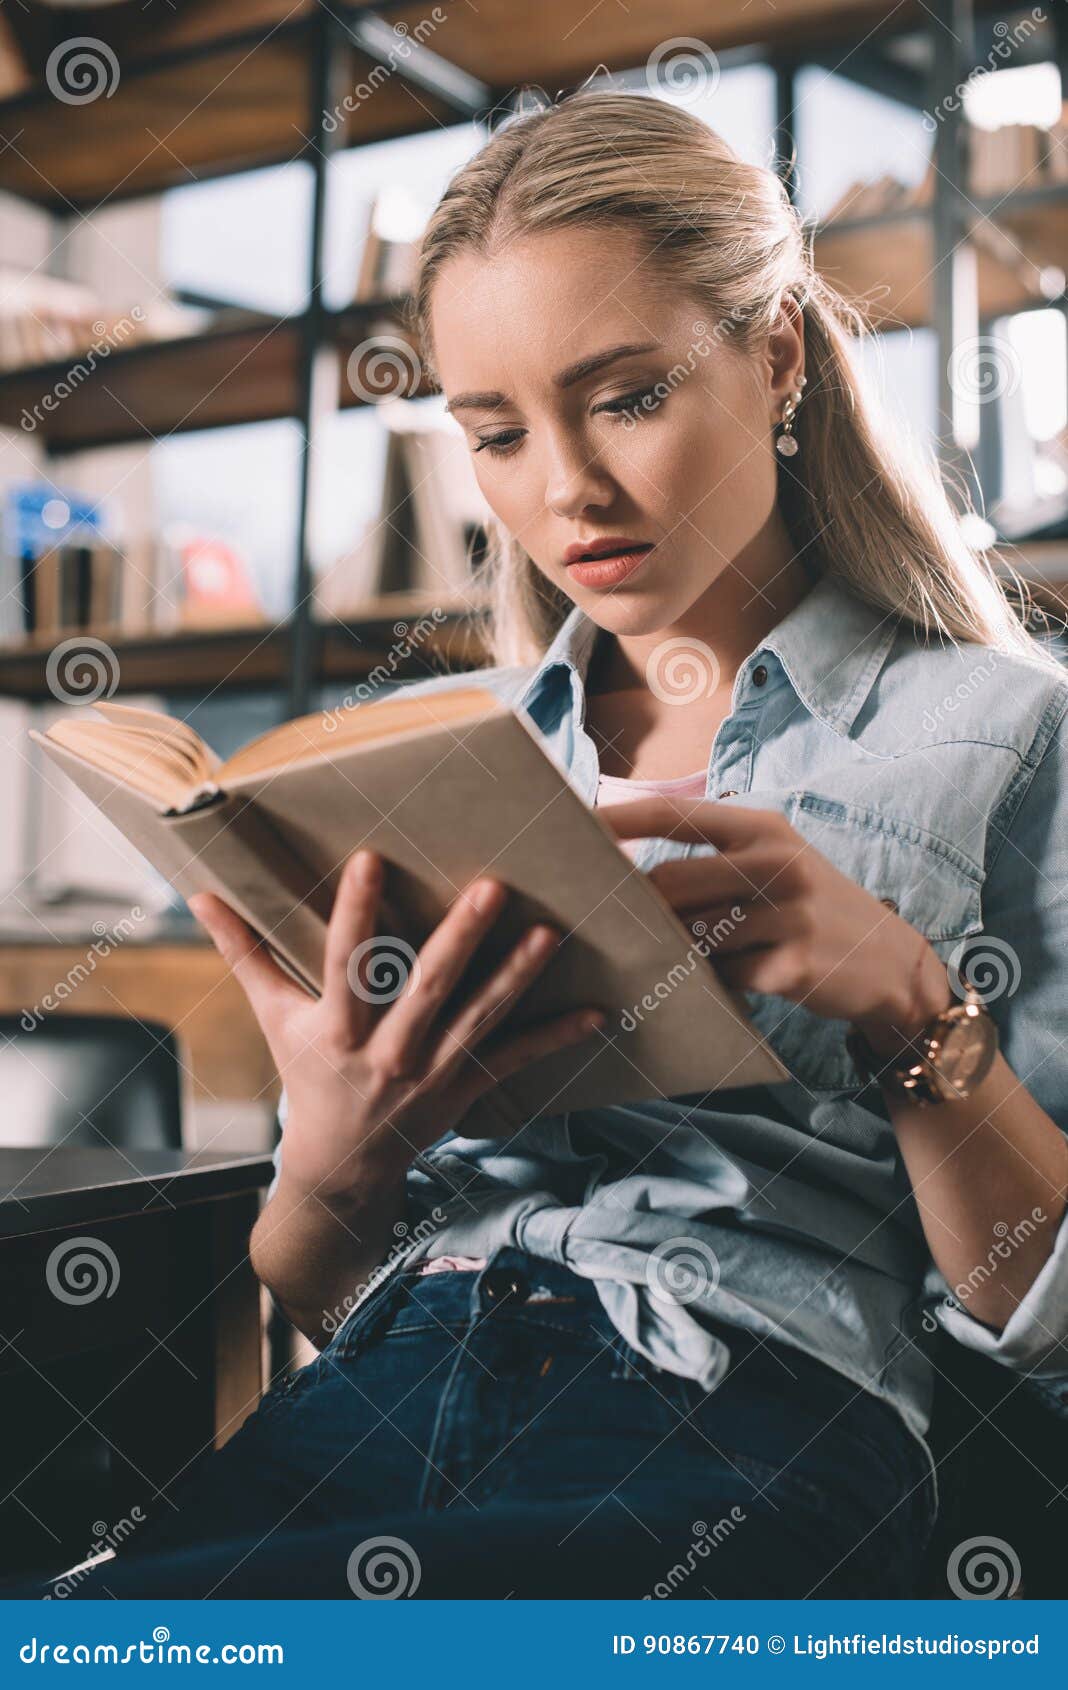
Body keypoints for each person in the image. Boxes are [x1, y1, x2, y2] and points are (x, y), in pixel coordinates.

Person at [14, 90, 1068, 1600]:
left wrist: (918, 1018)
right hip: (383, 1388)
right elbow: (314, 1287)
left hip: (736, 1418)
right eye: (496, 432)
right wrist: (333, 1152)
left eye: (628, 396)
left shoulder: (1004, 731)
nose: (563, 491)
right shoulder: (433, 746)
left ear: (775, 358)